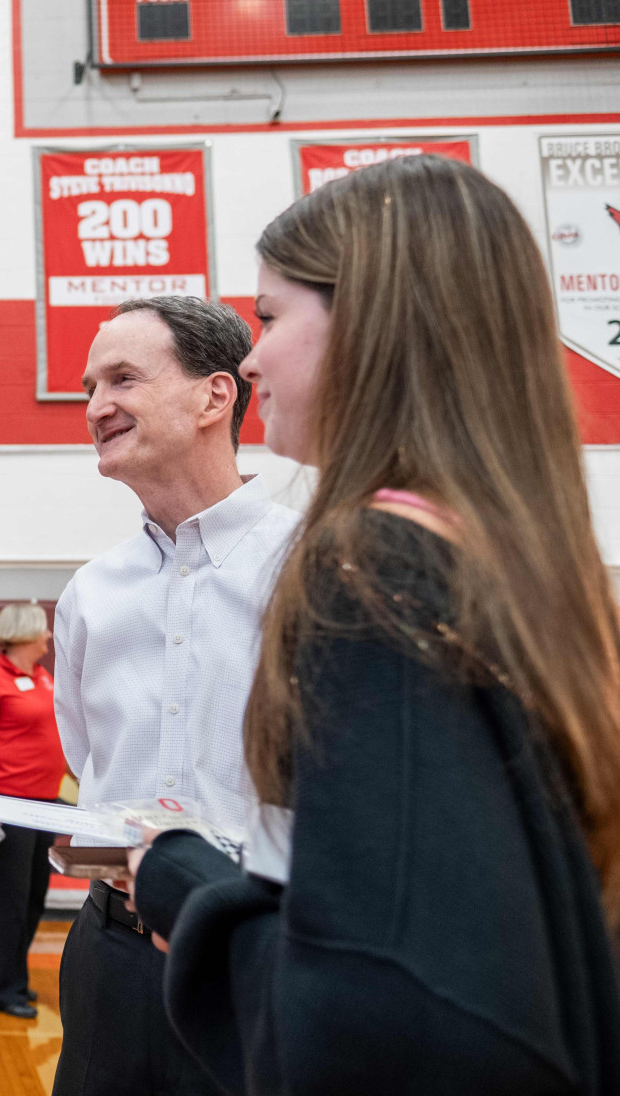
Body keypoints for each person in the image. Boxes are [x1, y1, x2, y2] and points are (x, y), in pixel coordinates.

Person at [127, 155, 620, 1094]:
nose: (249, 356)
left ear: (374, 323)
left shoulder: (376, 566)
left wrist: (182, 886)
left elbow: (389, 1018)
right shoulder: (518, 565)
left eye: (270, 317)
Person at [52, 295, 297, 1096]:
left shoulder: (312, 562)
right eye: (90, 387)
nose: (95, 407)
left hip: (263, 946)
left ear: (214, 396)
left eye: (123, 378)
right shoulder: (91, 593)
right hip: (111, 953)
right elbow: (89, 760)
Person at [0, 601, 65, 1021]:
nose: (49, 637)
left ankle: (14, 978)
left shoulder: (43, 678)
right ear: (24, 634)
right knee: (12, 898)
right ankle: (4, 991)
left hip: (45, 805)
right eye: (43, 630)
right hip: (8, 805)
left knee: (35, 897)